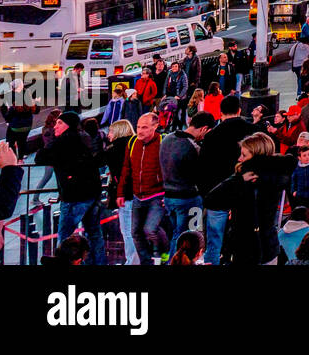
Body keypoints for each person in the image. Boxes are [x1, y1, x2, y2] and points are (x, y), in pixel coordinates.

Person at [206, 132, 297, 265]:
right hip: (262, 247)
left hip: (250, 248)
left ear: (255, 157)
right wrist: (239, 179)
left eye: (244, 155)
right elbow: (211, 200)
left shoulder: (268, 177)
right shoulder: (269, 175)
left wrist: (240, 180)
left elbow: (211, 199)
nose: (239, 159)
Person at [34, 111, 106, 265]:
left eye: (60, 123)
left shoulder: (63, 141)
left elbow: (40, 158)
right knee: (94, 233)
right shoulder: (84, 137)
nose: (55, 126)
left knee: (64, 237)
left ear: (69, 125)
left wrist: (52, 141)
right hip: (93, 192)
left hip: (73, 196)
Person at [160, 110, 214, 258]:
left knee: (176, 234)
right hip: (189, 199)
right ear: (204, 129)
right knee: (190, 238)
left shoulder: (166, 139)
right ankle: (177, 261)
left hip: (168, 198)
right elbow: (201, 176)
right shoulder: (193, 147)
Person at [118, 113, 167, 264]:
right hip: (137, 195)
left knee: (150, 229)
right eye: (138, 127)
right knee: (135, 233)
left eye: (144, 127)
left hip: (157, 195)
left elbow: (171, 169)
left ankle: (165, 252)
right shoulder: (132, 141)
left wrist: (169, 194)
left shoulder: (163, 142)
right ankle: (146, 262)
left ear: (155, 127)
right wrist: (120, 192)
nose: (139, 131)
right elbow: (126, 168)